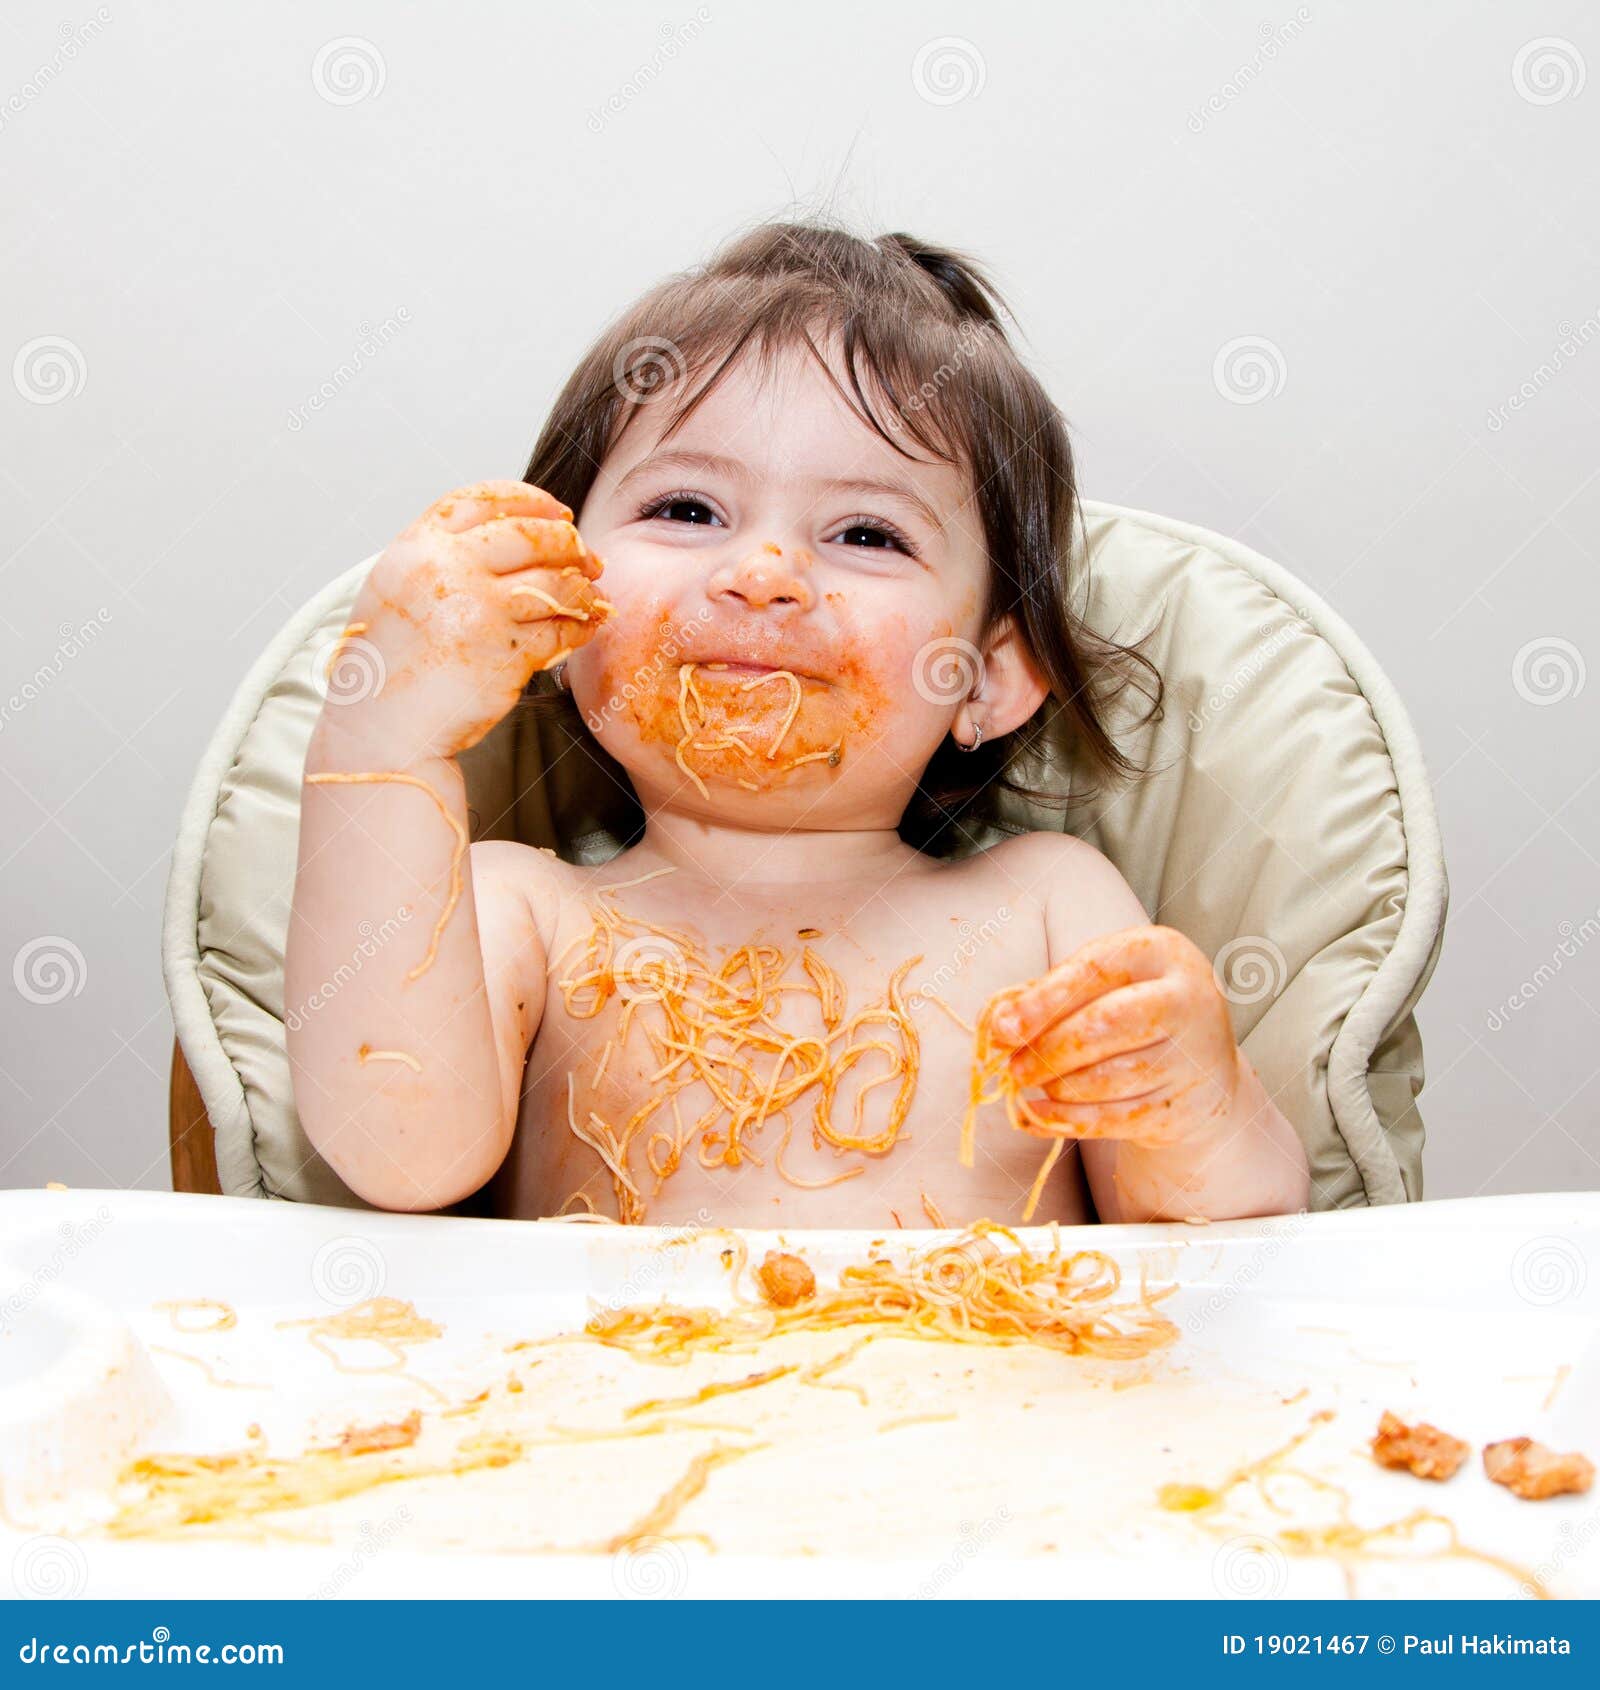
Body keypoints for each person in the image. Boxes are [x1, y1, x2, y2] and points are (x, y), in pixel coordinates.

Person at [285, 222, 1309, 1228]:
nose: (763, 574)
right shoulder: (521, 916)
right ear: (556, 612)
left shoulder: (1043, 910)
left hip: (998, 1393)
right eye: (687, 510)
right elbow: (397, 1153)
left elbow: (1206, 1238)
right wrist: (384, 743)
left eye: (866, 533)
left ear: (987, 678)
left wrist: (1198, 1105)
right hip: (600, 1396)